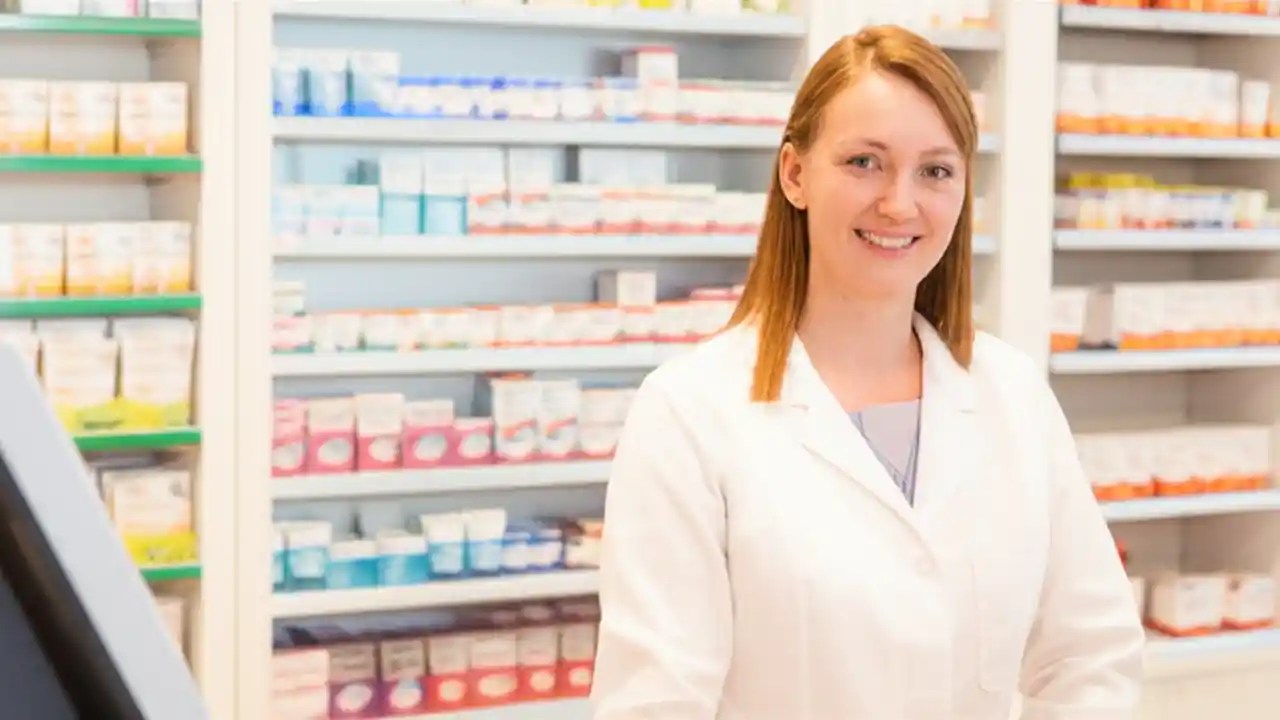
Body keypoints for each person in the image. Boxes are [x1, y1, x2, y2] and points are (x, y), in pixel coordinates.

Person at [589, 26, 1145, 720]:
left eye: (935, 171)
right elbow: (656, 702)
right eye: (863, 162)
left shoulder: (1013, 395)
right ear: (795, 174)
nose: (899, 204)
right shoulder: (689, 412)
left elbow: (1090, 655)